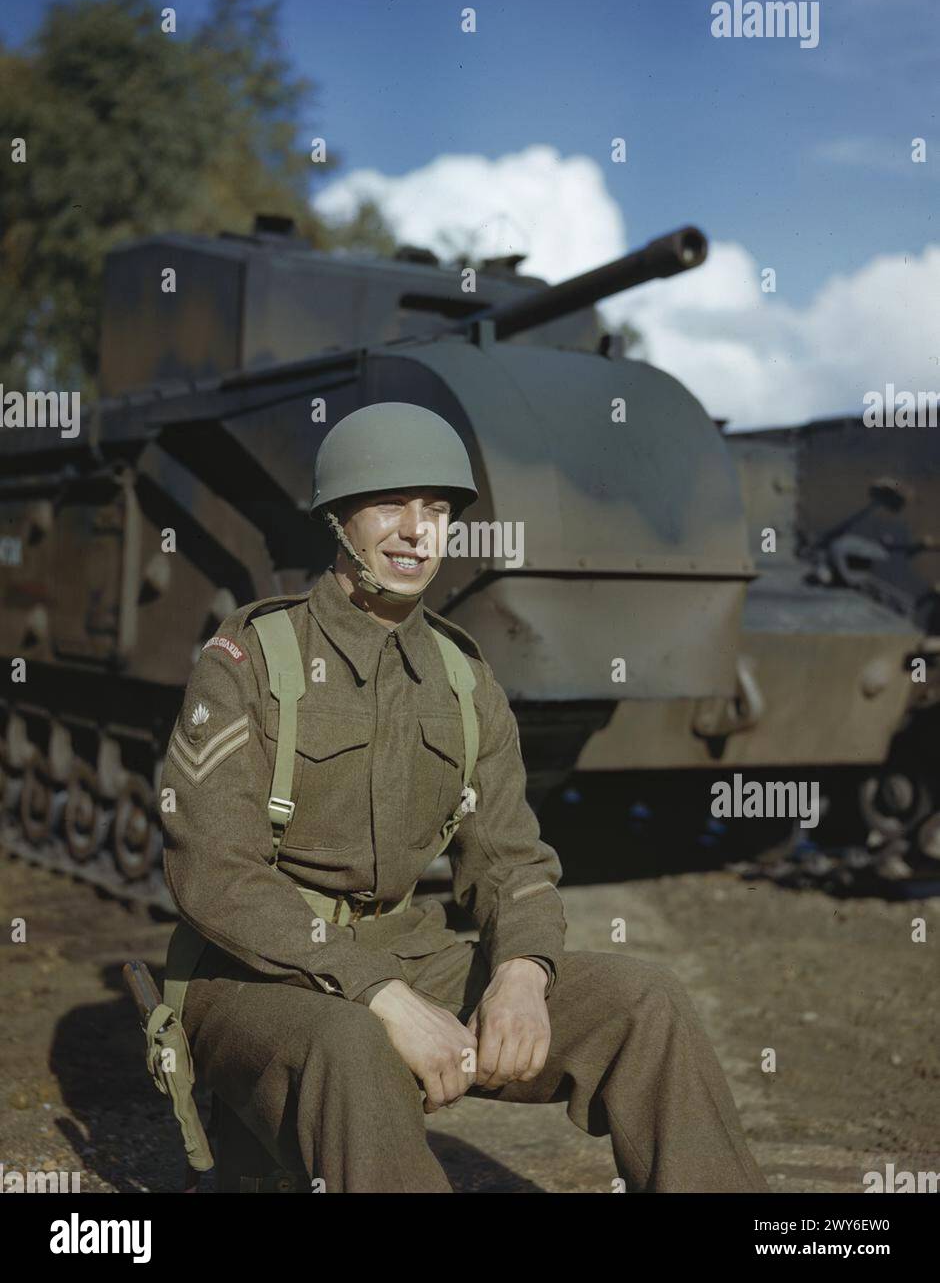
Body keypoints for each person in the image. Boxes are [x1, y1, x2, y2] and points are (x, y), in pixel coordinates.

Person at [160, 401, 768, 1193]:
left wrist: (521, 970)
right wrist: (379, 994)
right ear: (340, 518)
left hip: (409, 954)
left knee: (646, 1003)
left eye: (438, 510)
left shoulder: (462, 677)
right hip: (254, 977)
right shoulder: (248, 659)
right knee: (352, 1044)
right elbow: (216, 873)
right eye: (391, 505)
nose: (418, 531)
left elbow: (513, 860)